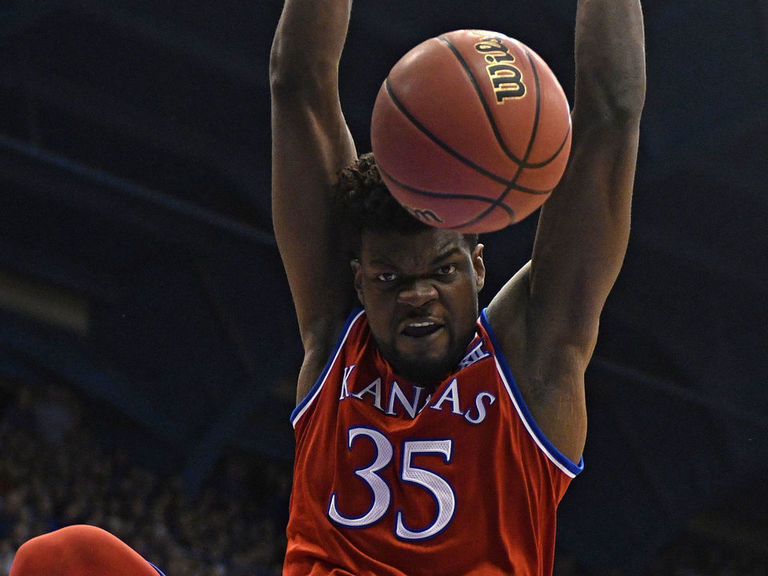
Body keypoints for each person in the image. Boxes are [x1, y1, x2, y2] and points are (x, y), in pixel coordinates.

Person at [270, 0, 645, 574]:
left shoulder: (531, 362)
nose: (417, 295)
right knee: (80, 552)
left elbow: (611, 116)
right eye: (391, 278)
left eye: (442, 271)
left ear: (478, 267)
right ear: (359, 281)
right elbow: (297, 83)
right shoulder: (337, 336)